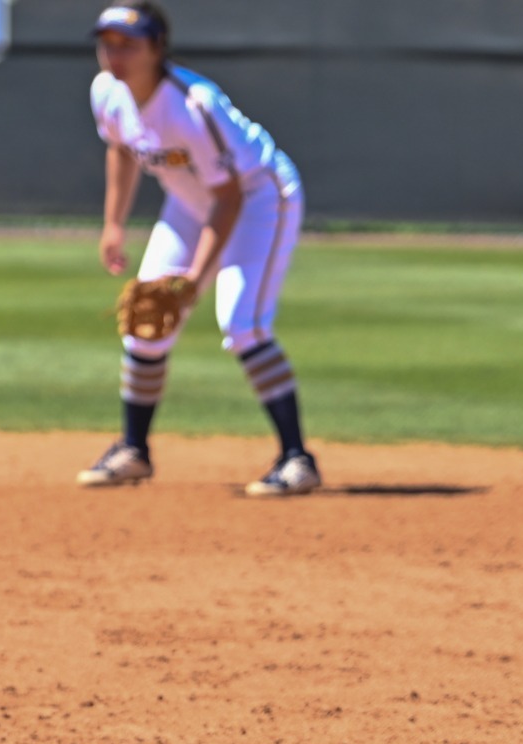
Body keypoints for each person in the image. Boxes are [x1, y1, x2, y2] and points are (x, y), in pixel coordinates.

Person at [76, 2, 318, 496]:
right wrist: (112, 226)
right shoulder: (107, 92)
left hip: (258, 197)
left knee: (242, 323)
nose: (115, 54)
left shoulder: (192, 104)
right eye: (108, 42)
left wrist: (193, 281)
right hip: (189, 204)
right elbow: (120, 149)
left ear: (157, 47)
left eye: (129, 44)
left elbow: (227, 197)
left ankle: (298, 459)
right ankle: (133, 451)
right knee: (144, 325)